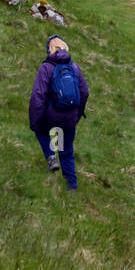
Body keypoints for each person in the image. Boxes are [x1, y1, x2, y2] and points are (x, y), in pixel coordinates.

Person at [29, 34, 89, 192]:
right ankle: (71, 187)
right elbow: (85, 92)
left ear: (49, 49)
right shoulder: (75, 67)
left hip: (51, 116)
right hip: (69, 117)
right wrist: (77, 114)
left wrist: (34, 119)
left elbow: (38, 95)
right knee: (66, 150)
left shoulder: (46, 68)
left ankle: (51, 157)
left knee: (40, 130)